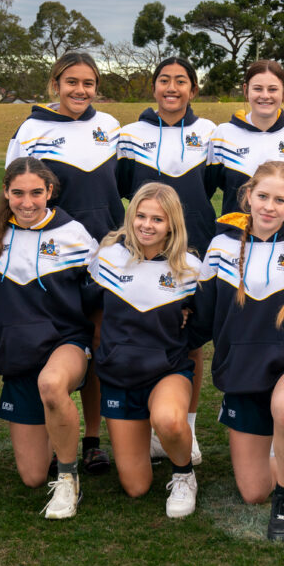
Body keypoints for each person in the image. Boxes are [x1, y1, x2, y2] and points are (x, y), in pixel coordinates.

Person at [189, 161, 284, 542]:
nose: (269, 206)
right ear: (247, 196)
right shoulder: (221, 246)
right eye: (262, 196)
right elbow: (202, 315)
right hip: (242, 370)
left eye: (280, 200)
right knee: (252, 492)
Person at [5, 51, 119, 474]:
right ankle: (57, 440)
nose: (80, 90)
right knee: (55, 346)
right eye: (71, 81)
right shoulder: (31, 129)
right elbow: (17, 192)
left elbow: (124, 185)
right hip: (54, 260)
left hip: (105, 254)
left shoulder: (110, 126)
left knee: (98, 346)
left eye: (88, 83)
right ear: (55, 84)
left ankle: (92, 440)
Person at [0, 157, 98, 520]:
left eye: (35, 193)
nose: (27, 202)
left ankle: (68, 478)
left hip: (66, 343)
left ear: (50, 192)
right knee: (31, 477)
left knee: (51, 383)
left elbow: (101, 293)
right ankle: (54, 436)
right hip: (18, 353)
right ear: (5, 192)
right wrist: (7, 321)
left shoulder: (74, 234)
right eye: (18, 193)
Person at [116, 56, 217, 465]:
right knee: (146, 327)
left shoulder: (210, 132)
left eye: (180, 81)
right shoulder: (129, 134)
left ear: (193, 89)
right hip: (144, 247)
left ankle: (184, 428)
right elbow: (122, 188)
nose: (171, 88)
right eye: (163, 80)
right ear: (153, 86)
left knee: (189, 336)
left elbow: (212, 185)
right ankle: (144, 424)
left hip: (195, 246)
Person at [90, 183, 202, 517]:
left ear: (172, 225)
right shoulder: (107, 258)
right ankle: (150, 437)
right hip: (119, 377)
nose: (147, 225)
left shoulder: (189, 267)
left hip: (166, 372)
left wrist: (185, 316)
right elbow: (87, 308)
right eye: (141, 216)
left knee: (168, 419)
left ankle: (183, 475)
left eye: (157, 219)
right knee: (136, 487)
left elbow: (205, 321)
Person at [207, 60, 284, 222]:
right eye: (258, 88)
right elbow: (207, 190)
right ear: (246, 90)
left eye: (272, 89)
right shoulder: (223, 134)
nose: (265, 95)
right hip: (237, 235)